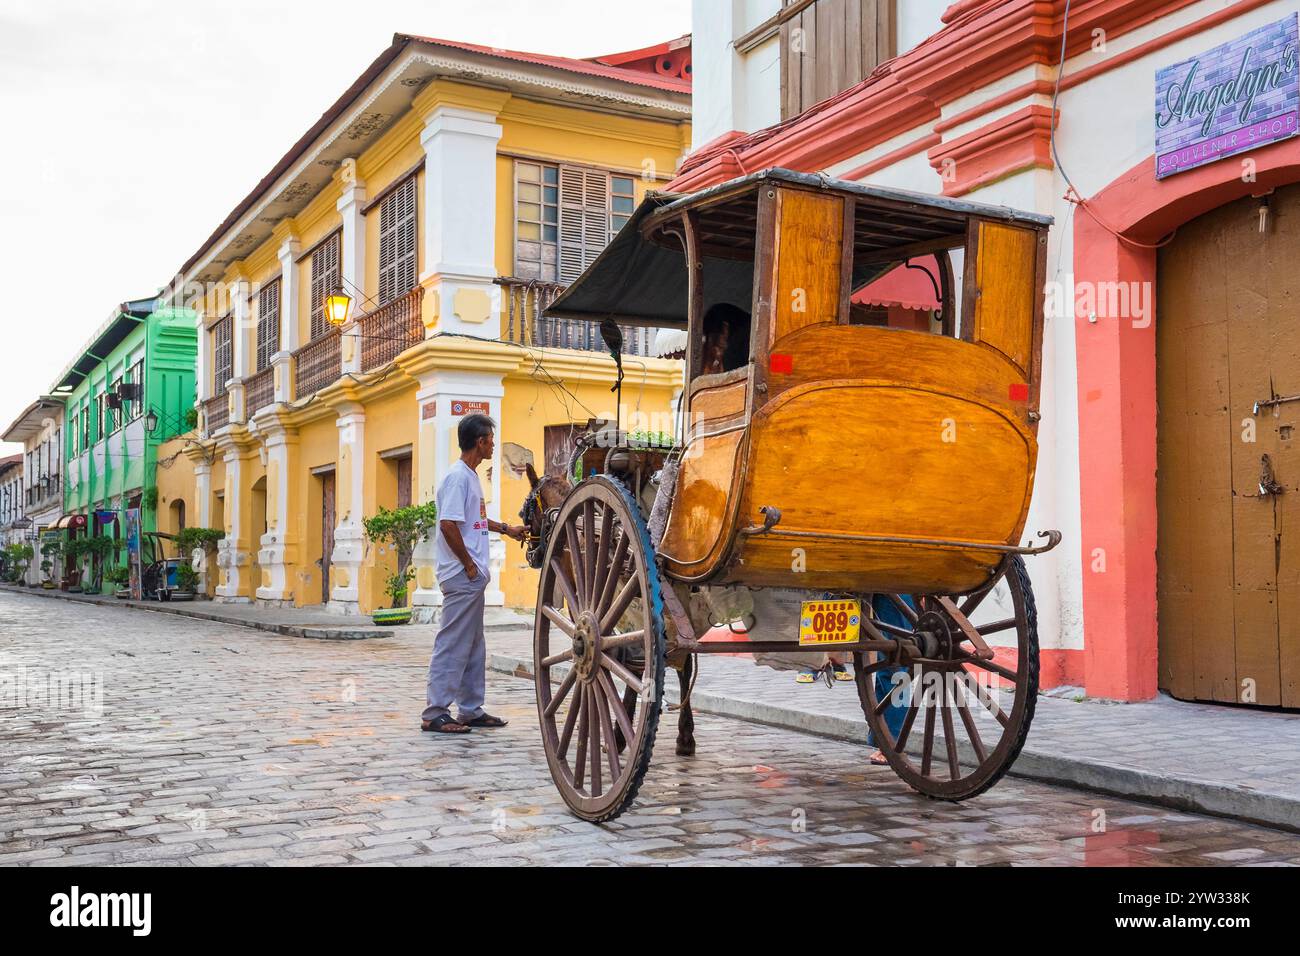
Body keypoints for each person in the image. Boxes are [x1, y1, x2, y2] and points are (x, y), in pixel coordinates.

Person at [421, 414, 527, 734]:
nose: (494, 443)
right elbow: (448, 525)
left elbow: (475, 522)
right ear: (480, 442)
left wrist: (507, 529)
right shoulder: (457, 477)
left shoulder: (469, 477)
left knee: (473, 645)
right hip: (461, 575)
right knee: (453, 643)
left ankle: (470, 708)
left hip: (471, 577)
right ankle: (435, 712)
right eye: (491, 439)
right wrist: (469, 565)